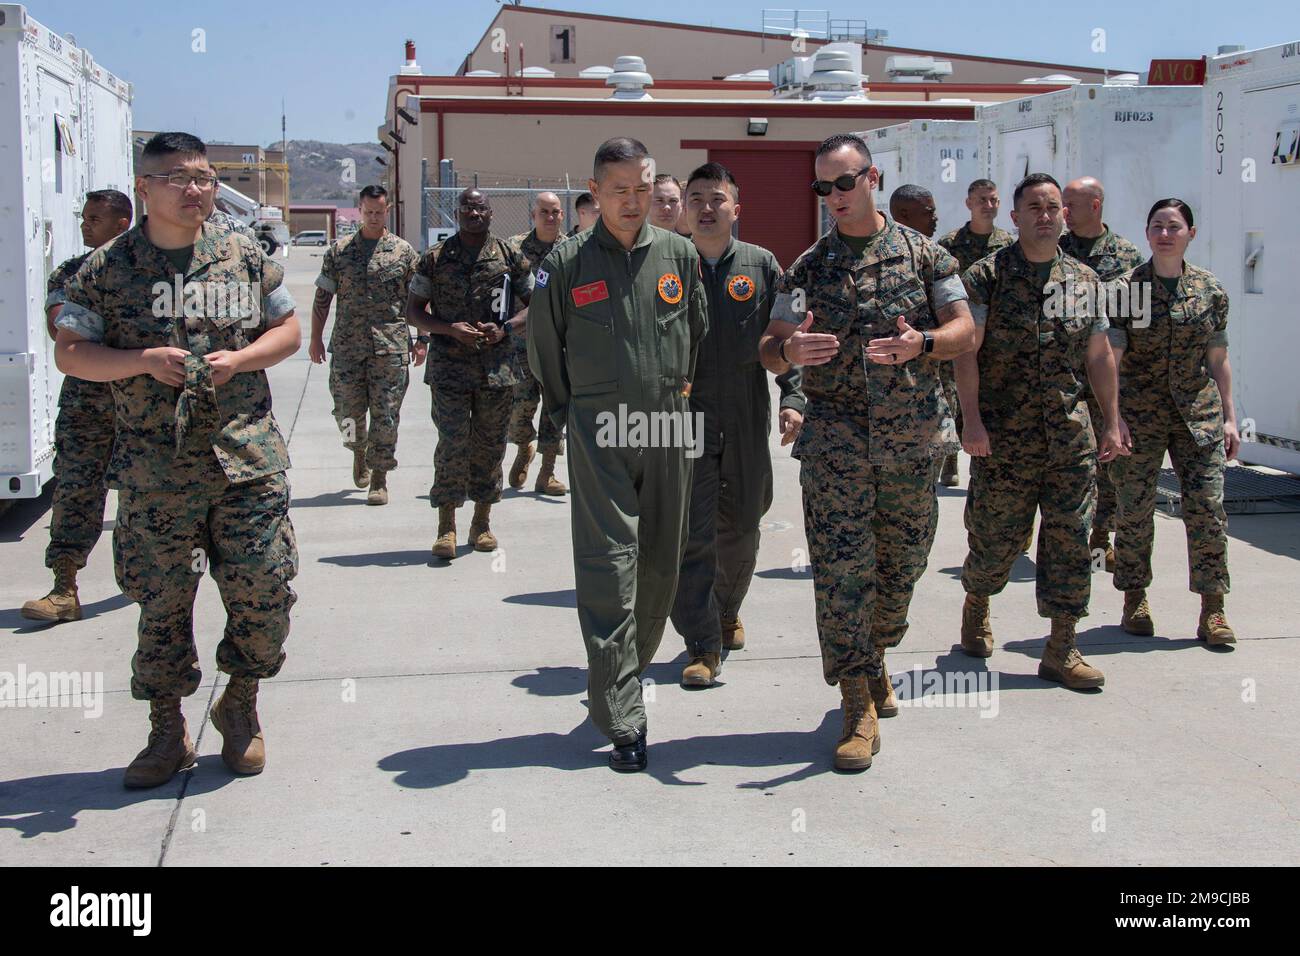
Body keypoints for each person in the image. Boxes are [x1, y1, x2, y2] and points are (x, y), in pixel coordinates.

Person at [54, 132, 300, 787]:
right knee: (160, 608)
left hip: (246, 461)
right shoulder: (104, 269)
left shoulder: (245, 253)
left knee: (267, 592)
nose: (195, 190)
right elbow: (70, 353)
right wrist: (139, 362)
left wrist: (243, 359)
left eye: (204, 177)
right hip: (156, 474)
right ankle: (167, 731)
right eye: (177, 178)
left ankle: (240, 703)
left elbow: (288, 331)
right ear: (144, 187)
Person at [758, 133, 974, 771]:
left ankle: (877, 652)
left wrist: (924, 344)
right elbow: (770, 344)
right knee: (841, 571)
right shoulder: (807, 269)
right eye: (822, 187)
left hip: (911, 441)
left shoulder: (924, 256)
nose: (833, 198)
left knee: (902, 567)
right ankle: (856, 700)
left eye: (843, 183)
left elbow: (964, 331)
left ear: (872, 178)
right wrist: (789, 354)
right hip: (836, 447)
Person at [529, 137, 707, 772]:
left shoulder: (679, 255)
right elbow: (545, 349)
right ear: (596, 193)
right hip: (600, 430)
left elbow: (698, 333)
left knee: (661, 562)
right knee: (611, 567)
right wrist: (571, 413)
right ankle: (625, 712)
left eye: (642, 188)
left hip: (667, 426)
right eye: (618, 191)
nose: (632, 202)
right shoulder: (567, 263)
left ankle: (616, 679)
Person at [955, 172, 1129, 690]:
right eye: (1034, 207)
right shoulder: (988, 276)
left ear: (1066, 214)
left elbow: (1099, 356)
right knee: (994, 540)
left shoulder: (1084, 280)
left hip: (1069, 437)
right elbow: (968, 353)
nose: (1046, 215)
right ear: (1015, 217)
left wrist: (1112, 420)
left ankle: (1062, 645)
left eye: (1054, 206)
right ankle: (977, 600)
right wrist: (972, 420)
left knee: (1071, 539)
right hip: (1004, 438)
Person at [671, 162, 806, 687]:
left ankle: (728, 607)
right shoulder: (666, 263)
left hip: (746, 412)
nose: (707, 208)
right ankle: (702, 643)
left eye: (717, 199)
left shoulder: (764, 264)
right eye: (697, 197)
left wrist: (792, 397)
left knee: (744, 524)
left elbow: (785, 337)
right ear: (684, 207)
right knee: (693, 531)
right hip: (683, 417)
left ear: (736, 208)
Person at [1108, 199, 1238, 644]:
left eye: (1174, 226)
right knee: (1135, 509)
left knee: (1207, 510)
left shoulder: (1209, 289)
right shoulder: (1127, 289)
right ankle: (1134, 598)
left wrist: (1230, 418)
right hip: (1139, 417)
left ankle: (1213, 609)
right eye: (1157, 226)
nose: (1165, 234)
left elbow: (1218, 358)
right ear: (1146, 233)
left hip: (1197, 417)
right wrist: (1113, 417)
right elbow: (1112, 357)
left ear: (1190, 234)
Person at [22, 190, 133, 623]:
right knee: (75, 490)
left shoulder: (151, 271)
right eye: (84, 217)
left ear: (121, 222)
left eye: (94, 219)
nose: (85, 225)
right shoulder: (70, 272)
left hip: (143, 402)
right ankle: (64, 587)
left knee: (146, 495)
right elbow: (60, 328)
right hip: (86, 404)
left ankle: (147, 582)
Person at [405, 189, 532, 558]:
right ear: (457, 214)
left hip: (497, 370)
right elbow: (413, 311)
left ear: (491, 213)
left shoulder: (510, 257)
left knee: (490, 446)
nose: (473, 212)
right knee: (452, 444)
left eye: (480, 207)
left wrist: (506, 328)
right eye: (467, 208)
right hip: (449, 370)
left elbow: (536, 305)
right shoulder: (435, 258)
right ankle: (446, 525)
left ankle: (482, 522)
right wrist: (448, 329)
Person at [309, 185, 418, 505]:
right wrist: (315, 338)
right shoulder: (339, 251)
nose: (373, 217)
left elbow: (418, 301)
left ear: (387, 211)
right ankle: (358, 451)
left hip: (390, 347)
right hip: (347, 348)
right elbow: (322, 297)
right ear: (359, 210)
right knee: (346, 413)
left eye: (379, 212)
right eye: (368, 211)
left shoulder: (403, 252)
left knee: (386, 415)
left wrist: (421, 339)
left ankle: (379, 477)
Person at [1059, 176, 1145, 571]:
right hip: (1065, 382)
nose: (1063, 213)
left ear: (1095, 206)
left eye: (1071, 205)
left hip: (1110, 377)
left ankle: (1098, 540)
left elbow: (1136, 321)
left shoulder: (1127, 257)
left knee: (1109, 464)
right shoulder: (1054, 250)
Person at [937, 179, 1016, 488]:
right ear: (969, 203)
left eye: (994, 199)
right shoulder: (950, 244)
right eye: (982, 199)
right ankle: (951, 457)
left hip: (993, 334)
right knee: (951, 397)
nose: (989, 205)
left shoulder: (1008, 245)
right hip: (956, 331)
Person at [506, 191, 567, 495]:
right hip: (521, 343)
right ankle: (522, 447)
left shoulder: (572, 249)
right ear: (533, 215)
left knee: (555, 407)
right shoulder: (514, 249)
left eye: (555, 212)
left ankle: (547, 472)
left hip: (560, 342)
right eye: (544, 211)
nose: (550, 217)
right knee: (520, 406)